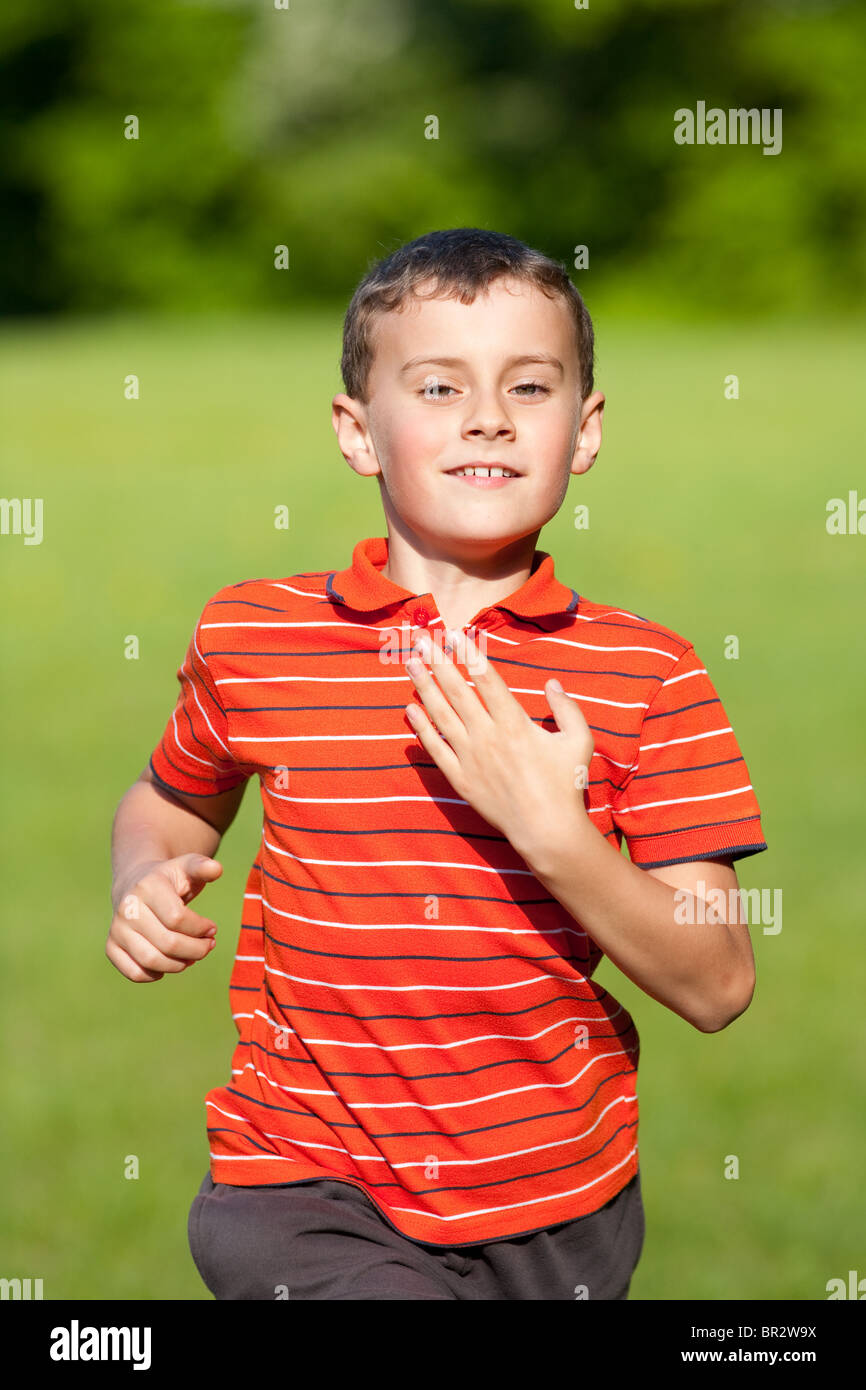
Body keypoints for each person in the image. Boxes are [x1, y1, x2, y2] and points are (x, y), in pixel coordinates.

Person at [107, 227, 767, 1300]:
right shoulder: (253, 637)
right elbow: (171, 797)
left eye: (529, 385)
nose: (487, 417)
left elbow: (716, 982)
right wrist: (143, 874)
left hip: (558, 1207)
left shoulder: (647, 674)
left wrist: (551, 832)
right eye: (437, 386)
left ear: (584, 429)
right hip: (300, 1187)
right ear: (357, 430)